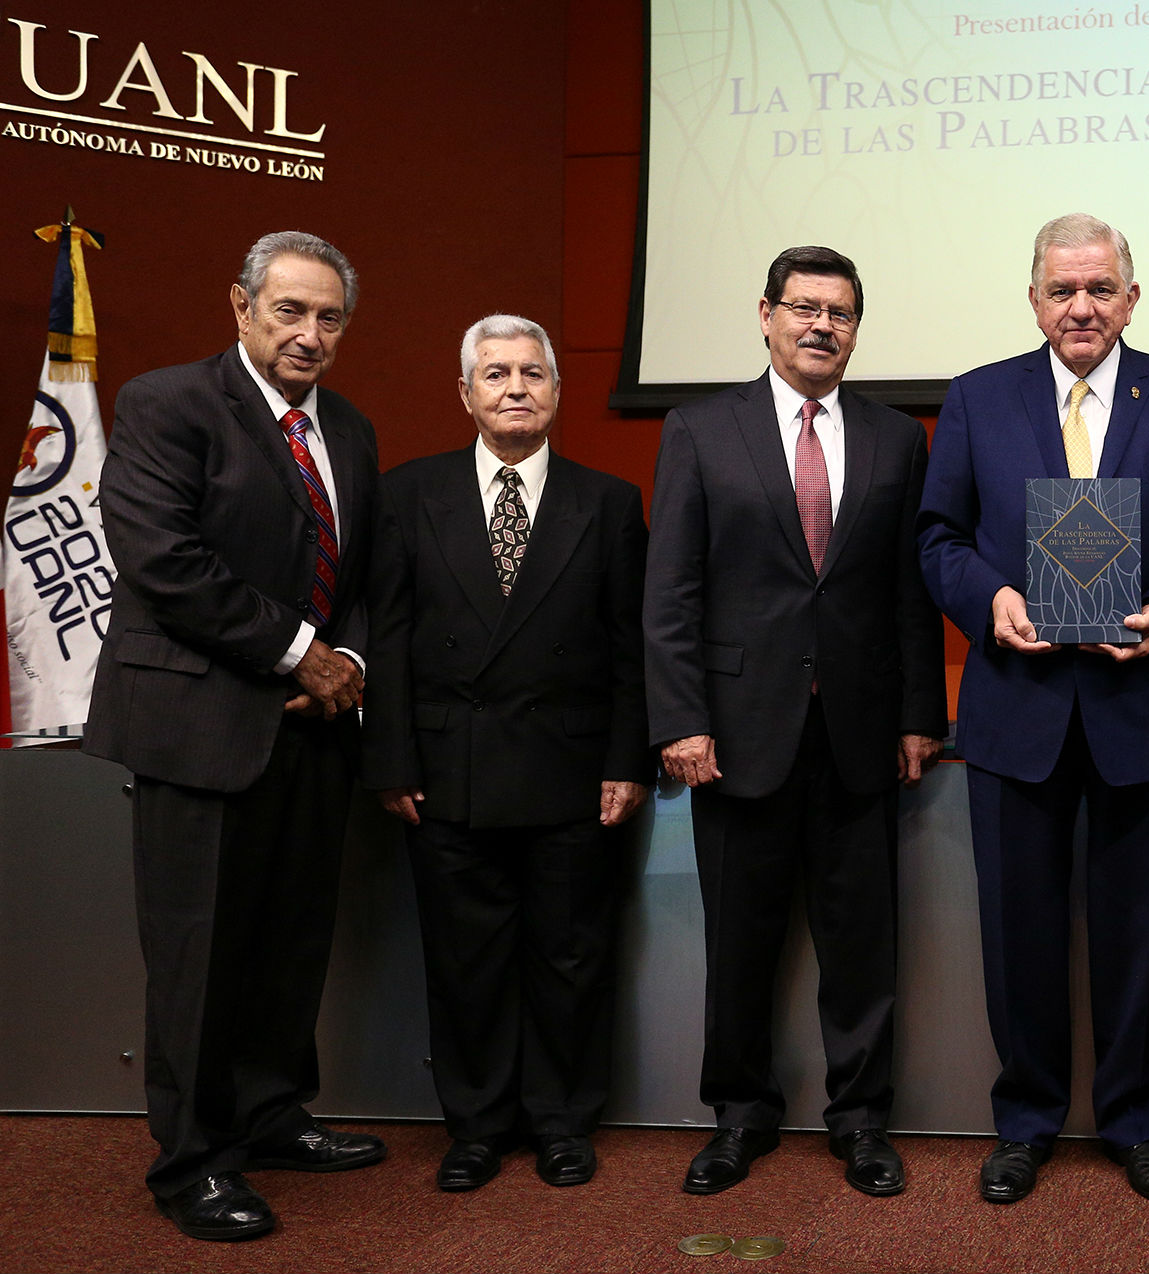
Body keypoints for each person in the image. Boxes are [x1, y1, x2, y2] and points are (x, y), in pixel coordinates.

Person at [917, 213, 1149, 1206]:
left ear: (1130, 297)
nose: (1080, 306)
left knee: (1138, 932)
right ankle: (1022, 1122)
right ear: (1032, 298)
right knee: (1017, 934)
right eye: (1061, 289)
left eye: (1099, 288)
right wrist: (990, 599)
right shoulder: (978, 397)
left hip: (1140, 702)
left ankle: (1133, 1122)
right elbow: (937, 535)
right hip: (1015, 708)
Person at [83, 231, 384, 1241]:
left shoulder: (347, 426)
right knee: (198, 953)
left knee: (289, 945)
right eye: (289, 310)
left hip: (314, 732)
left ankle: (268, 1114)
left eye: (328, 316)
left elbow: (364, 576)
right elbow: (164, 562)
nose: (309, 333)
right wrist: (302, 652)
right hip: (200, 726)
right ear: (241, 305)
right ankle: (194, 1161)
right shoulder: (168, 403)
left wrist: (350, 665)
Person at [646, 246, 947, 1198]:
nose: (823, 325)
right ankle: (739, 1116)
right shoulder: (700, 429)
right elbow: (672, 592)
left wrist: (917, 715)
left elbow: (909, 592)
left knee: (863, 947)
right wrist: (682, 718)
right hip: (735, 736)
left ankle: (861, 1122)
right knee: (740, 942)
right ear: (767, 315)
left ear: (858, 328)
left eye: (842, 313)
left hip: (860, 734)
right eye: (805, 308)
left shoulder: (898, 439)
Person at [361, 315, 649, 1193]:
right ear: (466, 394)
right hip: (449, 770)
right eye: (495, 374)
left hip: (571, 770)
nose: (515, 386)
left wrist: (628, 759)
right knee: (465, 960)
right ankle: (478, 1127)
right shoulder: (409, 495)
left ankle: (563, 1121)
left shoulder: (607, 501)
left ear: (557, 391)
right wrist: (391, 761)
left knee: (570, 957)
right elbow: (392, 635)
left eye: (532, 372)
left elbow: (630, 644)